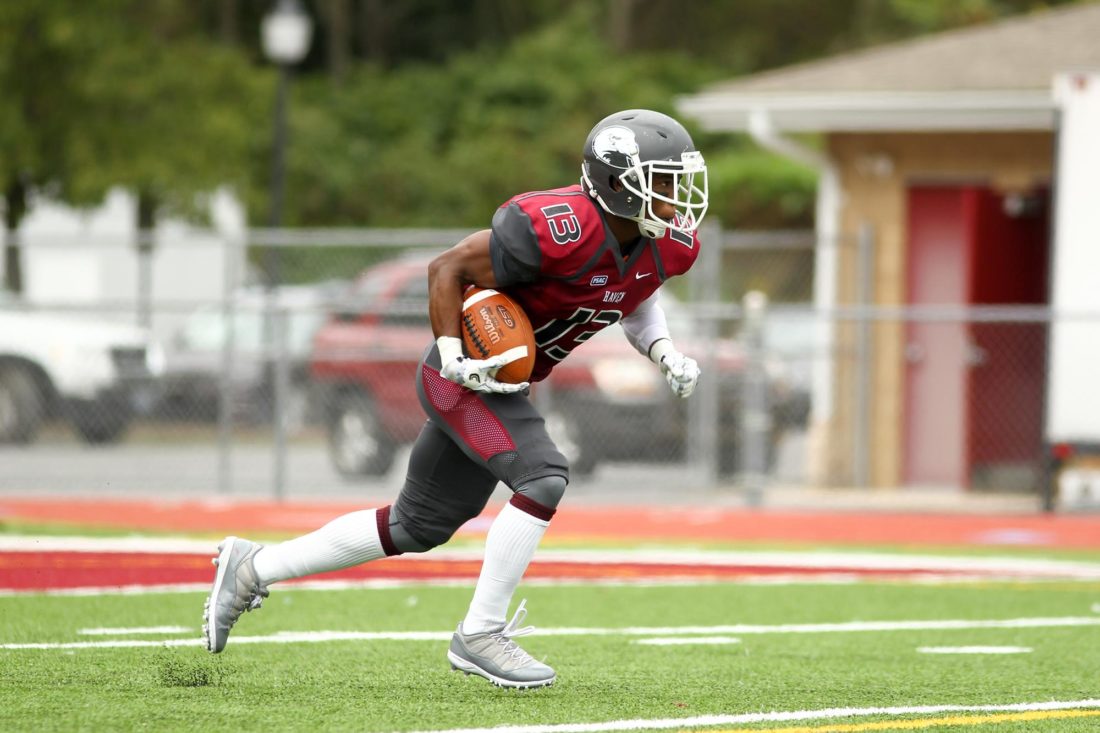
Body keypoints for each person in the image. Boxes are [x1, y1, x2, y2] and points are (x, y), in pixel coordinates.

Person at [202, 108, 709, 689]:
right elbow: (447, 268)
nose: (675, 195)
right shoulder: (557, 226)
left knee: (416, 525)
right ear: (618, 182)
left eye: (676, 179)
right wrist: (451, 353)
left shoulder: (665, 244)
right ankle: (481, 634)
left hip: (507, 384)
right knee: (543, 475)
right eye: (662, 180)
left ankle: (252, 567)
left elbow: (636, 294)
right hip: (463, 376)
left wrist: (663, 349)